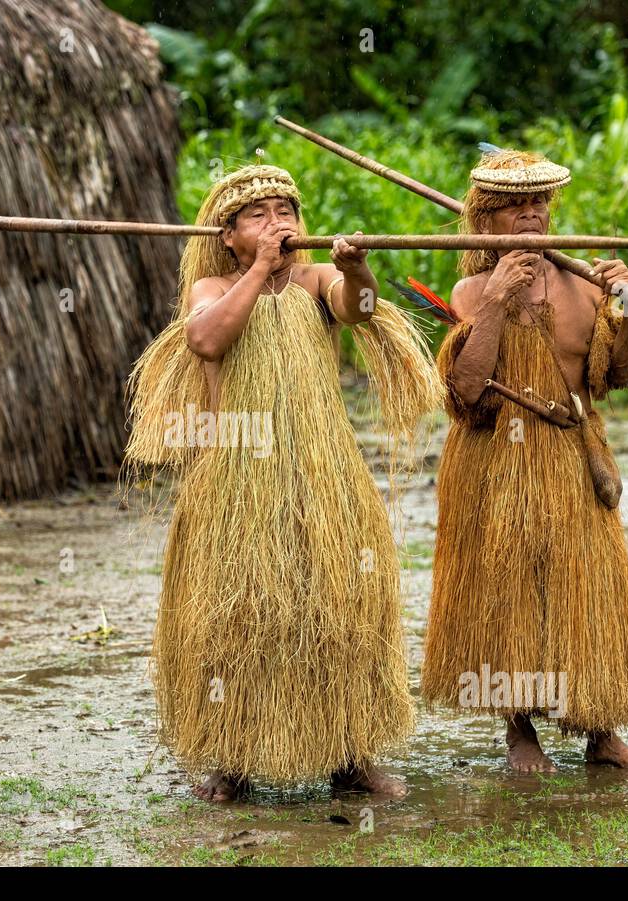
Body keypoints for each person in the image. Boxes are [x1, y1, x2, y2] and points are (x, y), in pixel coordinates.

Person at [124, 164, 441, 801]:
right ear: (229, 236)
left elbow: (362, 311)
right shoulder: (213, 287)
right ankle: (230, 757)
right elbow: (207, 341)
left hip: (323, 473)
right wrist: (257, 272)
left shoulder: (316, 279)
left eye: (287, 211)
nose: (279, 224)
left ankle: (350, 755)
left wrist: (356, 270)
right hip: (236, 477)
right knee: (237, 616)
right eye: (259, 216)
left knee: (339, 608)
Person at [421, 149, 628, 773]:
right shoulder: (472, 290)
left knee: (592, 587)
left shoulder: (585, 284)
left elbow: (624, 372)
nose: (531, 214)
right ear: (487, 218)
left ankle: (601, 734)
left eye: (539, 203)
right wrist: (496, 302)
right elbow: (467, 392)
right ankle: (519, 730)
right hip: (495, 458)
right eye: (514, 206)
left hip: (571, 452)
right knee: (507, 588)